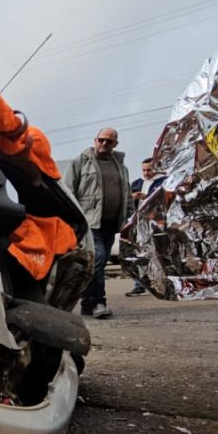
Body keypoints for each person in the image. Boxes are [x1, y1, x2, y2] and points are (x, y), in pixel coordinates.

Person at [65, 127, 131, 318]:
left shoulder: (121, 166)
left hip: (110, 224)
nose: (104, 144)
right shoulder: (81, 162)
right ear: (95, 140)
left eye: (109, 141)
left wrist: (129, 219)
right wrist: (73, 221)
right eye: (101, 140)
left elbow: (126, 195)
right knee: (99, 259)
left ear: (115, 144)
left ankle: (87, 304)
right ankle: (98, 302)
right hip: (89, 222)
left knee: (96, 263)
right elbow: (69, 192)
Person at [125, 158, 164, 296]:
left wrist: (148, 197)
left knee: (158, 254)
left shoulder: (163, 182)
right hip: (138, 224)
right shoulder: (136, 183)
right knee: (138, 254)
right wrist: (132, 197)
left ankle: (160, 283)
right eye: (144, 170)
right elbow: (125, 200)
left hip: (157, 224)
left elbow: (166, 200)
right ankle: (139, 285)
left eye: (149, 170)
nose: (146, 173)